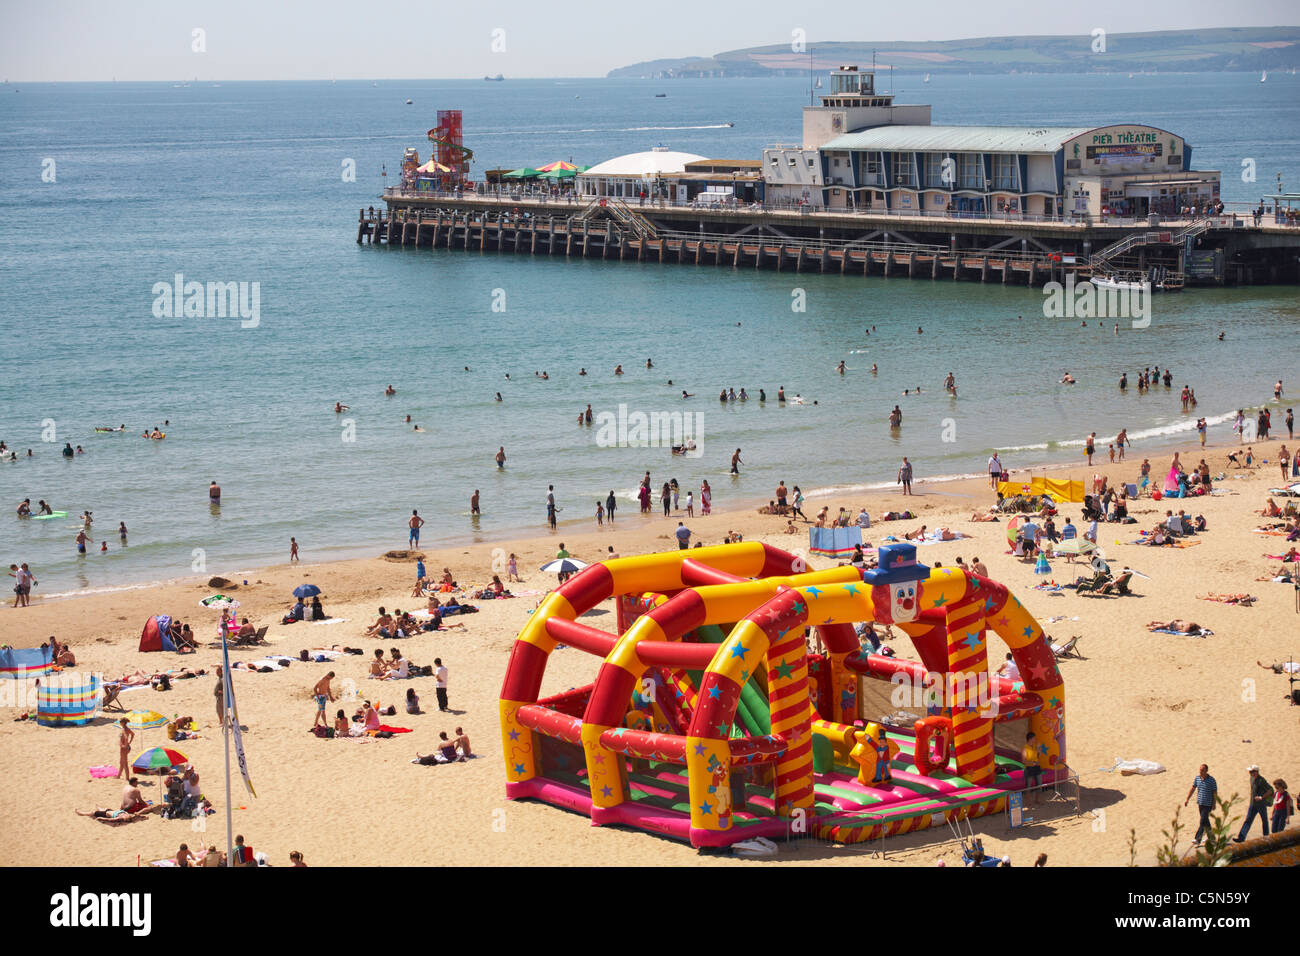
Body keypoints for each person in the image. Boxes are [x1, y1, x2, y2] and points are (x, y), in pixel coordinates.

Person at [1234, 765, 1273, 842]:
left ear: (1257, 772)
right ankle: (1241, 838)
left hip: (1261, 804)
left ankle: (1266, 837)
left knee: (1264, 820)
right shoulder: (1251, 779)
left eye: (1252, 772)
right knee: (1248, 820)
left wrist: (1261, 797)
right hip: (1253, 804)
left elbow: (1270, 790)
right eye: (1250, 772)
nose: (1251, 773)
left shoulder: (1262, 781)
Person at [1185, 764, 1219, 845]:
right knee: (1206, 822)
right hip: (1200, 803)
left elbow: (1214, 792)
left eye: (1202, 770)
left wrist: (1214, 803)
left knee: (1203, 821)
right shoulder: (1197, 778)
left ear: (1206, 771)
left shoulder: (1212, 780)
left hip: (1208, 804)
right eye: (1200, 770)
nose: (1201, 771)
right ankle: (1212, 838)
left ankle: (1197, 839)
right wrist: (1187, 799)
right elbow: (1193, 788)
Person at [1022, 732, 1042, 804]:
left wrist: (1039, 748)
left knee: (1039, 785)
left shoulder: (1034, 746)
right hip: (1029, 769)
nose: (1035, 739)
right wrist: (1032, 763)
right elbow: (1024, 761)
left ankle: (1037, 800)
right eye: (1034, 738)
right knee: (1028, 787)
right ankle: (1028, 802)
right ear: (1030, 739)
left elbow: (1038, 756)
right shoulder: (1025, 748)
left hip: (1037, 768)